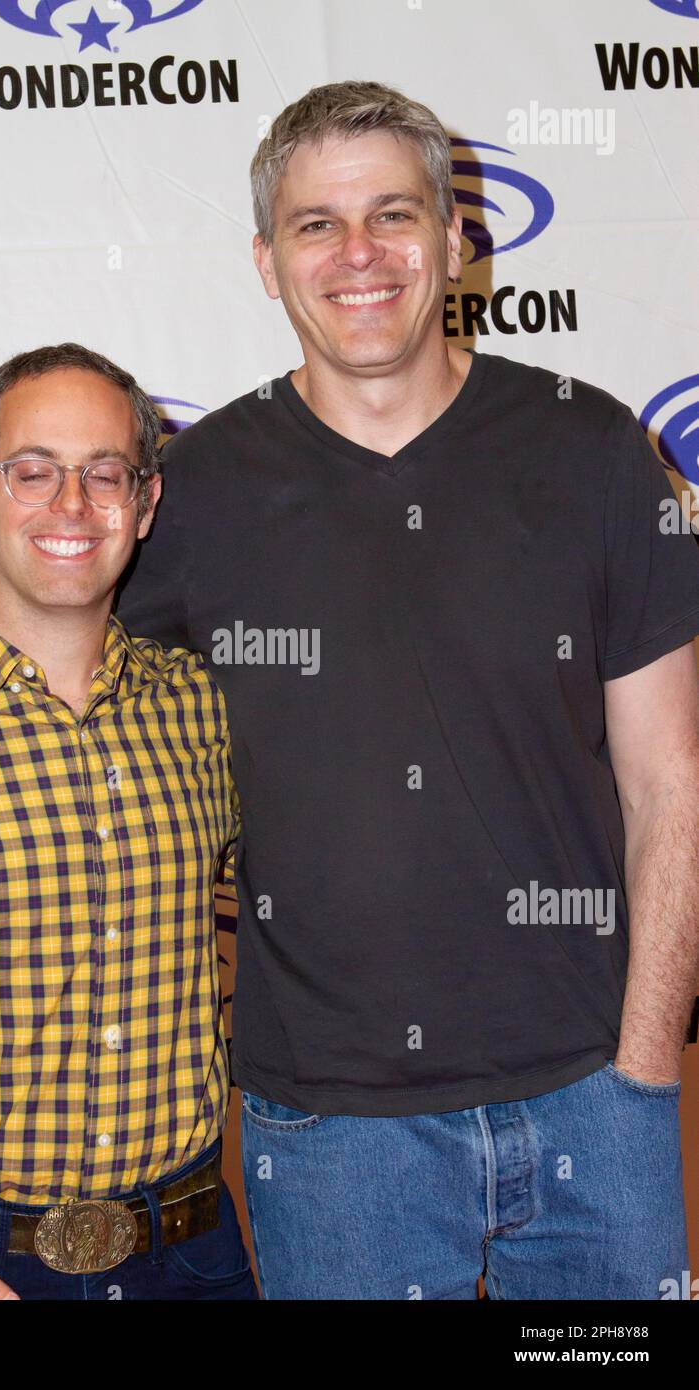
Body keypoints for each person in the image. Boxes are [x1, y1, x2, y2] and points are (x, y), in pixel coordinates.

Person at [116, 82, 699, 1300]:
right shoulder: (191, 491)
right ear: (267, 262)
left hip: (593, 1094)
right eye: (315, 225)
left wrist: (643, 1060)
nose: (359, 254)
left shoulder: (589, 448)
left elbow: (669, 781)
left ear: (451, 236)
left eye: (392, 213)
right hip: (329, 1129)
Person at [0, 342, 257, 1301]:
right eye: (33, 472)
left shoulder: (208, 711)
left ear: (144, 505)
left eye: (105, 473)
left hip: (195, 1259)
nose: (71, 505)